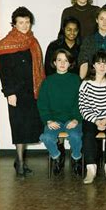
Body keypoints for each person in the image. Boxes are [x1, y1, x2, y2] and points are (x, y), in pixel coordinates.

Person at [0, 7, 44, 177]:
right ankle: (20, 163)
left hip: (31, 91)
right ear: (14, 24)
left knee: (28, 128)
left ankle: (19, 160)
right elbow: (5, 72)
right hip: (16, 93)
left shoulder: (32, 42)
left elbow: (38, 67)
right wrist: (9, 93)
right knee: (19, 128)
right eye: (20, 22)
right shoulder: (6, 43)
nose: (24, 25)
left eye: (27, 22)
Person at [38, 49, 83, 177]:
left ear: (70, 64)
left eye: (66, 61)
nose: (62, 63)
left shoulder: (76, 80)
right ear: (54, 62)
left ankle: (76, 157)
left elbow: (81, 102)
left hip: (72, 119)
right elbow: (42, 104)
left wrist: (76, 119)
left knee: (75, 136)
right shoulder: (48, 82)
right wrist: (48, 120)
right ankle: (57, 157)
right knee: (46, 137)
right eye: (59, 60)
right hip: (54, 120)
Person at [79, 49, 106, 184]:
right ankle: (91, 169)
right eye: (99, 63)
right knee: (88, 133)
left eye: (105, 63)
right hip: (92, 119)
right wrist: (96, 120)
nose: (102, 66)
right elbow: (83, 107)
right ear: (93, 65)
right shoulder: (85, 84)